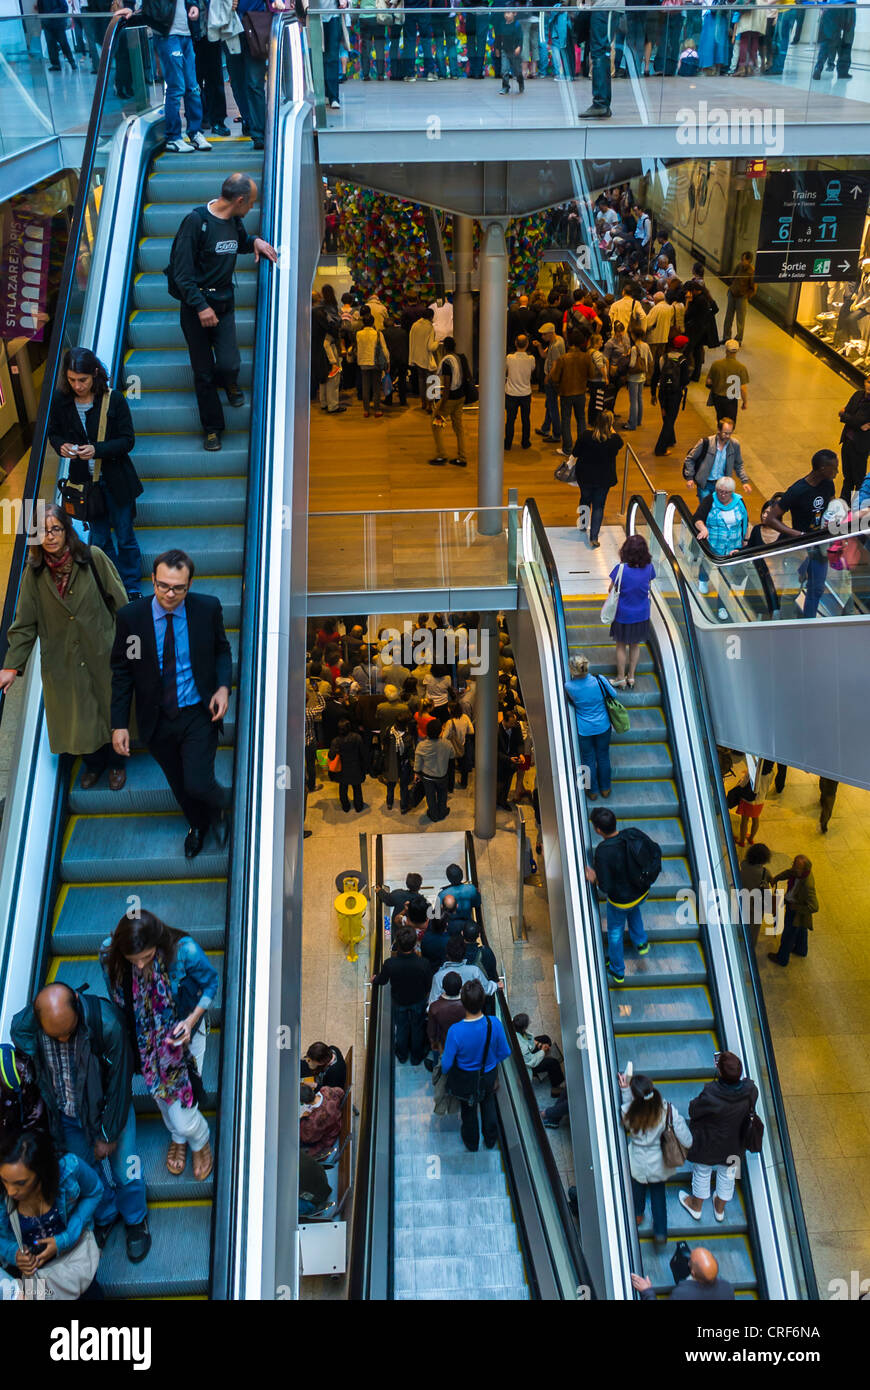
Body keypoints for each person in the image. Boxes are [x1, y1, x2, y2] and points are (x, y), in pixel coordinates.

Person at [11, 983, 150, 1263]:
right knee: (87, 1172)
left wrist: (108, 1134)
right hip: (68, 1114)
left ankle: (136, 1220)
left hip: (110, 1112)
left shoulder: (106, 1024)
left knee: (126, 1170)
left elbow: (120, 1085)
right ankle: (106, 1214)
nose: (63, 1039)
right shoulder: (33, 1027)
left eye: (68, 1032)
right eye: (55, 1035)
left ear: (76, 1003)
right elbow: (20, 1032)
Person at [110, 548, 233, 858]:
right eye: (163, 585)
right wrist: (120, 724)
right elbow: (124, 671)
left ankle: (223, 804)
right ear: (153, 580)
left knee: (198, 782)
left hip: (196, 713)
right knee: (180, 786)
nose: (170, 593)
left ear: (189, 585)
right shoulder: (132, 619)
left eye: (178, 587)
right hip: (156, 718)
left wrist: (222, 688)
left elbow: (221, 650)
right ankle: (198, 825)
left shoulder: (206, 610)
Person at [0, 498, 130, 792]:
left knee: (111, 707)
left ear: (67, 530)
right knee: (78, 713)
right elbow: (24, 625)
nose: (50, 536)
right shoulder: (33, 575)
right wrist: (11, 666)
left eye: (56, 528)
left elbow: (121, 603)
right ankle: (94, 763)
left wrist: (133, 647)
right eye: (43, 531)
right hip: (63, 659)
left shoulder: (93, 558)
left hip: (102, 649)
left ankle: (117, 762)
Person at [100, 909, 217, 1180]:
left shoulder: (184, 950)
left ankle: (198, 1137)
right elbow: (116, 995)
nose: (140, 965)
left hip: (185, 1038)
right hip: (146, 1043)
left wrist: (190, 1020)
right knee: (160, 1096)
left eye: (147, 957)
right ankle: (178, 1136)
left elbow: (211, 984)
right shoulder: (108, 954)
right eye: (133, 960)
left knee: (182, 1110)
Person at [167, 173, 278, 451]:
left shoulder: (234, 221)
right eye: (250, 202)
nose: (252, 207)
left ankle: (229, 382)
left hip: (224, 304)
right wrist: (201, 306)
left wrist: (254, 241)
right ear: (239, 200)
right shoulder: (196, 222)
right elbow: (182, 274)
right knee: (204, 373)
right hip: (196, 309)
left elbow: (239, 242)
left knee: (229, 362)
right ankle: (213, 428)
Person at [48, 347, 143, 599]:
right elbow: (54, 433)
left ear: (95, 374)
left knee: (125, 535)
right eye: (71, 380)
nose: (77, 386)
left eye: (83, 380)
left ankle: (131, 586)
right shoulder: (61, 400)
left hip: (116, 480)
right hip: (85, 485)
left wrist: (97, 450)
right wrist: (62, 446)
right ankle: (112, 585)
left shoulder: (114, 399)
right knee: (99, 539)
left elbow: (127, 440)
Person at [0, 1130, 102, 1300]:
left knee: (92, 1296)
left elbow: (95, 1191)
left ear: (41, 1173)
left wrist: (64, 1239)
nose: (10, 1191)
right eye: (4, 1181)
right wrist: (14, 1254)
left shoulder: (69, 1168)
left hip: (72, 1258)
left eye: (21, 1183)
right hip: (32, 1272)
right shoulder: (3, 1196)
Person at [681, 1051, 758, 1221]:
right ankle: (720, 1210)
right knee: (728, 1175)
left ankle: (696, 1206)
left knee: (702, 1172)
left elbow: (693, 1110)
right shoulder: (751, 1090)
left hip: (708, 1143)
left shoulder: (711, 1093)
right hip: (736, 1144)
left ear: (720, 1072)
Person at [619, 1070, 692, 1250]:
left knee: (638, 1189)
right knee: (658, 1195)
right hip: (659, 1163)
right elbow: (686, 1138)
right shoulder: (668, 1110)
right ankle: (660, 1231)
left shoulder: (628, 1112)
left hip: (637, 1160)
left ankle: (638, 1214)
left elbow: (628, 1113)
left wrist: (625, 1091)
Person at [585, 806, 658, 984]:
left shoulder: (603, 851)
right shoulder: (632, 833)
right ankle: (640, 942)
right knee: (634, 910)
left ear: (598, 830)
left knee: (615, 933)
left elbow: (606, 887)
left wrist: (594, 878)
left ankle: (617, 970)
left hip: (620, 901)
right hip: (641, 891)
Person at [762, 450, 838, 618]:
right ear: (823, 468)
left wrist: (834, 515)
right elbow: (771, 518)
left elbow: (832, 504)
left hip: (820, 545)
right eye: (834, 468)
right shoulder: (797, 490)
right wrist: (798, 534)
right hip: (800, 548)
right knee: (792, 591)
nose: (837, 472)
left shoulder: (828, 484)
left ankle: (809, 621)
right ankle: (785, 622)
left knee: (816, 588)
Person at [441, 980, 511, 1152]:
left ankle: (472, 1143)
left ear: (462, 1002)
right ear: (483, 1001)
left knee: (468, 1111)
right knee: (488, 1104)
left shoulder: (455, 1031)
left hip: (465, 1079)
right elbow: (504, 1052)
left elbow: (446, 1064)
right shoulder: (494, 1023)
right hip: (488, 1075)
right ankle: (490, 1139)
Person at [371, 926, 433, 1066]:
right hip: (418, 1000)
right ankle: (416, 1057)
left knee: (402, 1027)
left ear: (397, 944)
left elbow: (382, 980)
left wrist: (374, 979)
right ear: (415, 943)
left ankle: (402, 1054)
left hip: (399, 1001)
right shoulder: (423, 964)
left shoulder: (390, 963)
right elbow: (429, 984)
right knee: (417, 1027)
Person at [692, 476, 749, 620]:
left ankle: (722, 606)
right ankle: (703, 579)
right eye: (719, 491)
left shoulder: (739, 502)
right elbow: (697, 518)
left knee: (726, 578)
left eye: (726, 492)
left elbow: (745, 521)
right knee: (707, 564)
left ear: (732, 492)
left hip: (732, 547)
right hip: (713, 544)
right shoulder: (710, 501)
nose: (722, 495)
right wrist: (703, 528)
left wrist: (745, 539)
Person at [568, 409, 624, 549]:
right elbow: (619, 443)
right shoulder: (614, 440)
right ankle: (594, 537)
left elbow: (575, 452)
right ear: (611, 424)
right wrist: (612, 430)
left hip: (585, 476)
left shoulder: (586, 435)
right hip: (604, 478)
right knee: (599, 506)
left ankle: (582, 524)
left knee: (585, 499)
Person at [564, 654, 616, 799]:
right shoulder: (599, 680)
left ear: (572, 670)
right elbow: (614, 694)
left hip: (584, 729)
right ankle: (605, 788)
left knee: (588, 760)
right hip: (603, 726)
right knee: (603, 756)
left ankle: (592, 792)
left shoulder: (569, 686)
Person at [606, 533, 655, 688]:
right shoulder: (649, 568)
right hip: (642, 614)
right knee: (635, 645)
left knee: (621, 645)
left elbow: (610, 590)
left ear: (625, 551)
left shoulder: (620, 570)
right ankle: (631, 676)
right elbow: (648, 585)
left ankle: (620, 678)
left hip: (623, 614)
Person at [631, 1246, 735, 1301]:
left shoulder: (682, 1294)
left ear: (693, 1273)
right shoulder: (727, 1289)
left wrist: (647, 1292)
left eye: (690, 1260)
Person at [683, 416, 751, 501]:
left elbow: (738, 464)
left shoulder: (734, 445)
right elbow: (690, 459)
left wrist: (744, 481)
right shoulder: (705, 442)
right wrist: (690, 478)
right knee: (707, 510)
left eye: (730, 433)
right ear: (718, 430)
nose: (728, 436)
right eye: (725, 433)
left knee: (720, 510)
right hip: (705, 484)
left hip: (722, 486)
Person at [767, 854, 818, 966]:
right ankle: (801, 950)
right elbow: (788, 873)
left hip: (796, 911)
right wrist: (777, 878)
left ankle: (782, 959)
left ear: (804, 869)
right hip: (796, 909)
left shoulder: (807, 885)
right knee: (801, 930)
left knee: (788, 935)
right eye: (793, 864)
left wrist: (796, 907)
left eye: (796, 866)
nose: (793, 867)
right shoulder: (799, 873)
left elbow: (814, 907)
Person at [548, 331, 591, 457]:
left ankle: (567, 448)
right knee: (581, 419)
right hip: (581, 392)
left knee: (566, 420)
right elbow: (592, 374)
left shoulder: (563, 358)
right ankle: (582, 447)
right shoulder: (586, 357)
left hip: (566, 393)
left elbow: (555, 377)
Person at [428, 935, 499, 1005]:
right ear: (464, 953)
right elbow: (486, 989)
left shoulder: (438, 976)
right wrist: (496, 985)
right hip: (471, 1012)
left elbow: (433, 1002)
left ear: (447, 955)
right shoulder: (474, 971)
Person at [430, 336, 468, 467]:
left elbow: (446, 385)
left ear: (444, 347)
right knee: (459, 428)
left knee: (436, 424)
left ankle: (441, 455)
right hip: (461, 397)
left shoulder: (447, 362)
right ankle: (462, 457)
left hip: (450, 399)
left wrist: (442, 405)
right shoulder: (460, 358)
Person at [0, 1045, 47, 1144]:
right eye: (20, 1072)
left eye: (21, 1067)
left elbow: (45, 1084)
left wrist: (41, 1103)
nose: (23, 1071)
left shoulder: (28, 1058)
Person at [654, 334, 690, 456]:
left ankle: (670, 439)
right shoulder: (683, 361)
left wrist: (653, 393)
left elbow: (655, 376)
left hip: (663, 392)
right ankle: (660, 448)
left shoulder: (663, 358)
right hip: (675, 394)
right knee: (670, 420)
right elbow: (685, 380)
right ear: (683, 347)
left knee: (666, 417)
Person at [513, 1013, 564, 1095]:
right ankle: (555, 1089)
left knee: (545, 1039)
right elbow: (532, 1061)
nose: (530, 1022)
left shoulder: (514, 1026)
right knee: (553, 1063)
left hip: (527, 1052)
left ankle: (544, 1061)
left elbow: (527, 1038)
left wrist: (539, 1044)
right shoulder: (523, 1048)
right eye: (527, 1023)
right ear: (523, 1028)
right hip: (528, 1064)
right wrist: (543, 1051)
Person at [838, 375, 870, 502]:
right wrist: (854, 421)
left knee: (858, 479)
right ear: (865, 382)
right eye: (869, 382)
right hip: (847, 441)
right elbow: (848, 414)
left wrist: (845, 416)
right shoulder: (857, 395)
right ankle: (843, 503)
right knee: (847, 476)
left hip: (860, 446)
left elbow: (853, 417)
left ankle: (856, 505)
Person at [413, 719, 453, 821]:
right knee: (442, 794)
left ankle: (433, 814)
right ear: (440, 731)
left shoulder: (421, 745)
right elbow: (452, 755)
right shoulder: (447, 744)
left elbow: (417, 765)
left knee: (430, 796)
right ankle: (442, 811)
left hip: (427, 777)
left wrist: (416, 773)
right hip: (442, 775)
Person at [534, 321, 565, 442]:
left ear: (551, 333)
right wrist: (539, 346)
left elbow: (556, 363)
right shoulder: (556, 341)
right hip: (554, 378)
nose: (542, 337)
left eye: (544, 334)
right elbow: (544, 355)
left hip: (552, 379)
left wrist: (548, 377)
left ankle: (556, 434)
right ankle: (545, 428)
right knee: (550, 404)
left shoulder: (556, 345)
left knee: (552, 407)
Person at [329, 716, 368, 813]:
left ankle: (346, 806)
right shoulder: (357, 737)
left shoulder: (336, 741)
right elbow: (363, 754)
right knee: (357, 788)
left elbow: (331, 756)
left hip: (342, 770)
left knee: (343, 788)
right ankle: (359, 806)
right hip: (356, 767)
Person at [355, 308, 389, 420]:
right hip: (376, 363)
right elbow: (384, 350)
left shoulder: (358, 334)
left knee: (365, 386)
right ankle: (377, 409)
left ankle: (366, 410)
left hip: (363, 362)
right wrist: (387, 362)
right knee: (376, 387)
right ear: (373, 322)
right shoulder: (378, 334)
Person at [705, 340, 749, 425]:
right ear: (737, 351)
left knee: (720, 419)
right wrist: (745, 402)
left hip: (717, 398)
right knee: (730, 422)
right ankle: (726, 435)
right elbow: (742, 388)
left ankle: (720, 433)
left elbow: (709, 381)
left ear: (726, 350)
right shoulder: (741, 368)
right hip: (731, 400)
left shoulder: (716, 364)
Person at [739, 842, 774, 949]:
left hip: (742, 900)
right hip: (756, 906)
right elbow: (768, 885)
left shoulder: (743, 865)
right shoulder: (764, 872)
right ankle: (750, 946)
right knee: (753, 928)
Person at [504, 333, 534, 449]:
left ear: (515, 343)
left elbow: (505, 370)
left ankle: (508, 443)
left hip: (511, 393)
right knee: (526, 419)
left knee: (510, 420)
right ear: (527, 344)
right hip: (526, 393)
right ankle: (525, 442)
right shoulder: (531, 359)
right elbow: (532, 370)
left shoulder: (509, 358)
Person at [736, 759, 775, 846]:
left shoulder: (754, 771)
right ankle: (751, 838)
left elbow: (743, 784)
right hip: (760, 800)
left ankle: (741, 841)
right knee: (755, 819)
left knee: (744, 820)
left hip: (748, 799)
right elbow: (768, 785)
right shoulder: (771, 773)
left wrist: (741, 778)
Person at [299, 1082, 343, 1159]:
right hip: (337, 1121)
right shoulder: (326, 1091)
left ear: (304, 1102)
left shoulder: (315, 1120)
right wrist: (317, 1086)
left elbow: (307, 1138)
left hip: (329, 1137)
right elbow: (340, 1092)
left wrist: (302, 1118)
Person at [722, 252, 756, 345]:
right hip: (732, 294)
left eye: (743, 260)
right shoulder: (739, 266)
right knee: (728, 317)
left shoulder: (751, 272)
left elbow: (753, 288)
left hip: (742, 297)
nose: (742, 262)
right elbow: (732, 277)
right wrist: (732, 288)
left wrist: (746, 296)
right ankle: (726, 336)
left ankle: (739, 339)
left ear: (749, 260)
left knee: (740, 319)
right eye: (741, 259)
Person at [409, 307, 437, 411]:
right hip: (426, 358)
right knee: (430, 380)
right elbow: (431, 346)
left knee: (421, 380)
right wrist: (437, 343)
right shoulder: (430, 328)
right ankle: (430, 404)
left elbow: (411, 341)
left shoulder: (415, 325)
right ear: (431, 317)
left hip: (416, 357)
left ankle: (423, 402)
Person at [624, 327, 652, 431]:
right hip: (643, 376)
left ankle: (632, 424)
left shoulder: (634, 348)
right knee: (640, 398)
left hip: (633, 377)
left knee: (633, 401)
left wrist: (627, 356)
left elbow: (632, 364)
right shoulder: (646, 345)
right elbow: (650, 359)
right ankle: (639, 421)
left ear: (634, 335)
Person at [496, 707, 524, 810]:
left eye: (514, 722)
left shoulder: (516, 727)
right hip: (500, 762)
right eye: (511, 723)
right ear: (505, 721)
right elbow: (496, 752)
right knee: (499, 784)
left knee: (507, 783)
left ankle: (503, 801)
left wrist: (521, 754)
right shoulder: (497, 731)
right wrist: (508, 759)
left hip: (511, 763)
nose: (514, 725)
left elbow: (520, 742)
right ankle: (495, 801)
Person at [38, 0, 77, 71]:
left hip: (58, 23)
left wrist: (51, 14)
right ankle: (55, 64)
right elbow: (40, 9)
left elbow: (64, 8)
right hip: (47, 24)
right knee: (51, 44)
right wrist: (44, 20)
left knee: (63, 43)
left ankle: (71, 62)